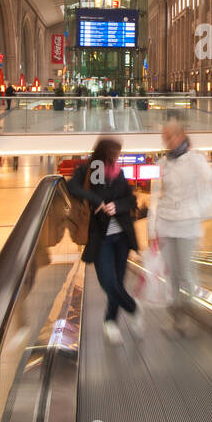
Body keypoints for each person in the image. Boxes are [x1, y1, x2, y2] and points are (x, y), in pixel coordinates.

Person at [67, 136, 141, 343]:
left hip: (122, 237)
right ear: (103, 153)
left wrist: (117, 206)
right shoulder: (89, 170)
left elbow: (131, 199)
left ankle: (111, 321)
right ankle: (132, 307)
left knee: (117, 282)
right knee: (107, 281)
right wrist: (97, 201)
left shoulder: (119, 173)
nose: (116, 157)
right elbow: (72, 186)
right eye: (113, 154)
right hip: (101, 237)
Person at [149, 118, 212, 331]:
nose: (167, 141)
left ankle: (190, 313)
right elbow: (155, 196)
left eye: (170, 137)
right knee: (171, 273)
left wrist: (199, 211)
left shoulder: (196, 161)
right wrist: (152, 228)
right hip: (167, 225)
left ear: (180, 136)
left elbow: (210, 186)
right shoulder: (162, 164)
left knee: (186, 273)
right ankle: (177, 317)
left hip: (188, 225)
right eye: (165, 138)